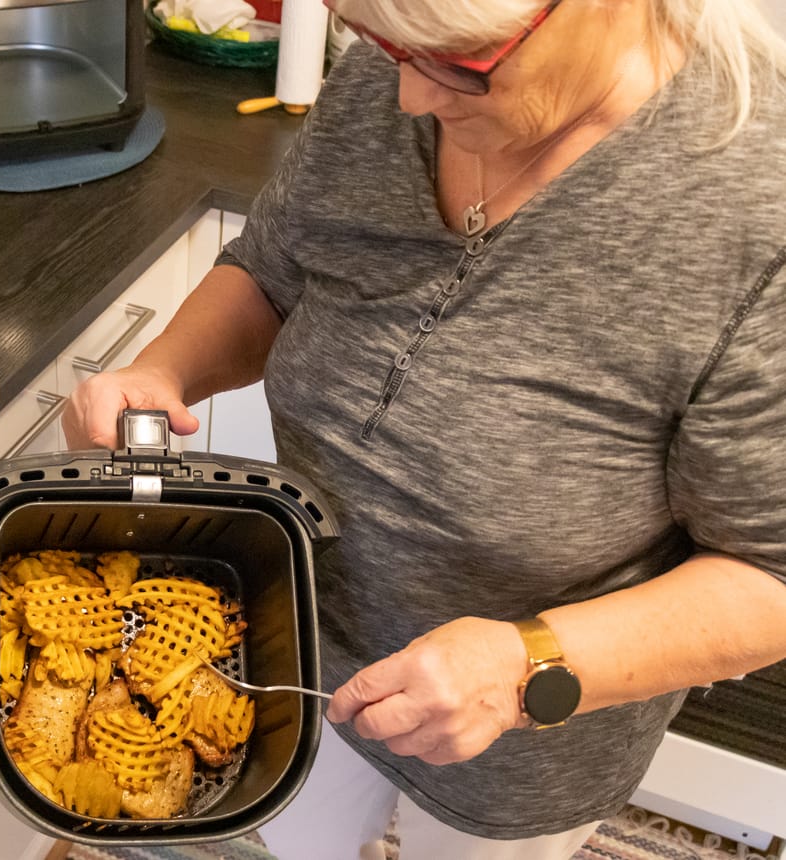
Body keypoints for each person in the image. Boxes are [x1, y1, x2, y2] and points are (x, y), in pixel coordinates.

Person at [61, 0, 786, 857]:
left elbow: (768, 572)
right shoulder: (404, 61)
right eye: (373, 40)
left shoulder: (755, 214)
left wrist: (523, 669)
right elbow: (274, 268)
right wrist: (163, 369)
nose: (403, 94)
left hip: (526, 735)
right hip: (297, 651)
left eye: (462, 61)